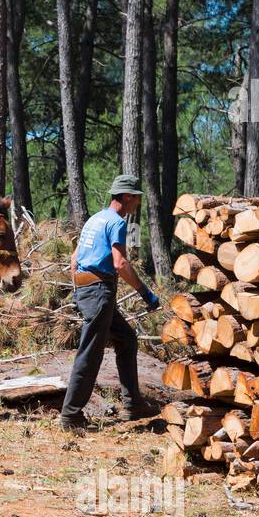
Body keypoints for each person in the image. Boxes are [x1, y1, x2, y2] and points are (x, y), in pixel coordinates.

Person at [60, 174, 162, 431]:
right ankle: (71, 415)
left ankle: (133, 403)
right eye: (136, 197)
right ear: (126, 196)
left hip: (87, 289)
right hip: (99, 292)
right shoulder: (116, 222)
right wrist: (144, 292)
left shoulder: (95, 219)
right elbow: (120, 263)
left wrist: (78, 290)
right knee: (90, 352)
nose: (138, 202)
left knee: (126, 339)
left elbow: (74, 259)